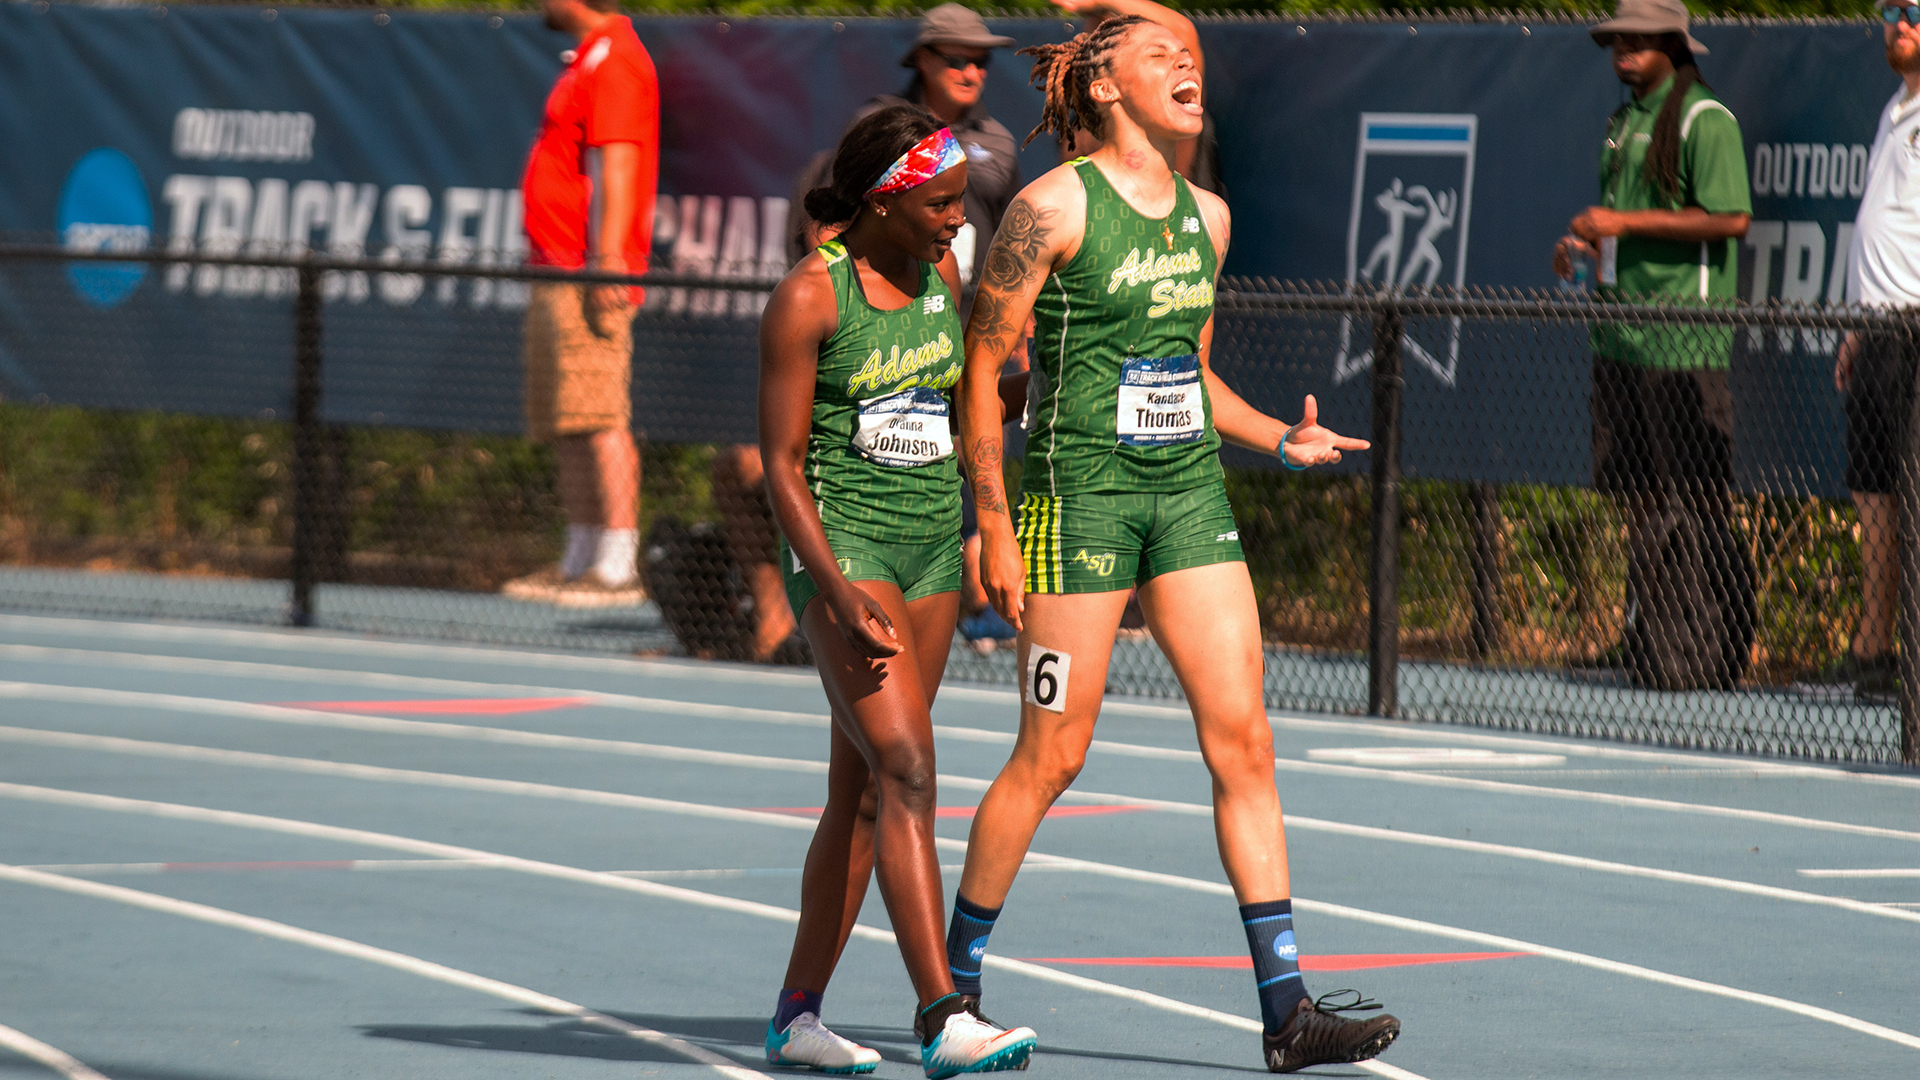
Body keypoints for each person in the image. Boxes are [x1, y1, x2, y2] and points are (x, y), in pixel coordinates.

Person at [947, 16, 1398, 1074]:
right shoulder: (1049, 208)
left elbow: (1190, 374)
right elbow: (981, 372)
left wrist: (1280, 435)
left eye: (1193, 56)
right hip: (1080, 501)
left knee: (1244, 741)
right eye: (1161, 54)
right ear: (1103, 84)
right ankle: (953, 988)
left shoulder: (1210, 219)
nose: (1187, 67)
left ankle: (1287, 1011)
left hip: (1187, 497)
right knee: (1054, 754)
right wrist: (995, 524)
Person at [757, 105, 1038, 1078]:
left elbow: (965, 403)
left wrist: (990, 508)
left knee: (867, 793)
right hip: (848, 550)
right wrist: (831, 589)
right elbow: (781, 465)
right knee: (910, 768)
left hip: (929, 549)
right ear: (886, 200)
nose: (959, 220)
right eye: (942, 203)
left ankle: (797, 1016)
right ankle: (944, 1016)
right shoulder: (810, 297)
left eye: (962, 202)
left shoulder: (944, 276)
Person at [1552, 0, 1754, 689]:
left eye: (1639, 39)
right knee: (1637, 495)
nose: (1624, 49)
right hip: (1619, 335)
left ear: (1672, 44)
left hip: (1683, 344)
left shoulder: (1705, 117)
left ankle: (1711, 646)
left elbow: (1730, 217)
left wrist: (1624, 223)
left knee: (1697, 500)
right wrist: (1584, 242)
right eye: (1616, 38)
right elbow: (1616, 223)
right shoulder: (1621, 121)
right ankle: (1650, 633)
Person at [502, 0, 657, 607]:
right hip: (555, 267)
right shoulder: (588, 57)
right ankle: (580, 556)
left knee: (599, 416)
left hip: (588, 269)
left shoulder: (617, 59)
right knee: (568, 420)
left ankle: (617, 565)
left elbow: (619, 161)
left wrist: (609, 261)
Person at [1832, 0, 1920, 702]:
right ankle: (1872, 649)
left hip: (1917, 334)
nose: (1899, 24)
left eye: (1914, 11)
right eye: (1890, 11)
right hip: (1877, 333)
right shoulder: (1892, 110)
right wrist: (1858, 326)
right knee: (1873, 494)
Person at [1047, 0, 1225, 195]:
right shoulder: (1076, 151)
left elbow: (1183, 31)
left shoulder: (1208, 211)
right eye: (1158, 55)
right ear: (1104, 88)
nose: (1186, 62)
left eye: (1184, 53)